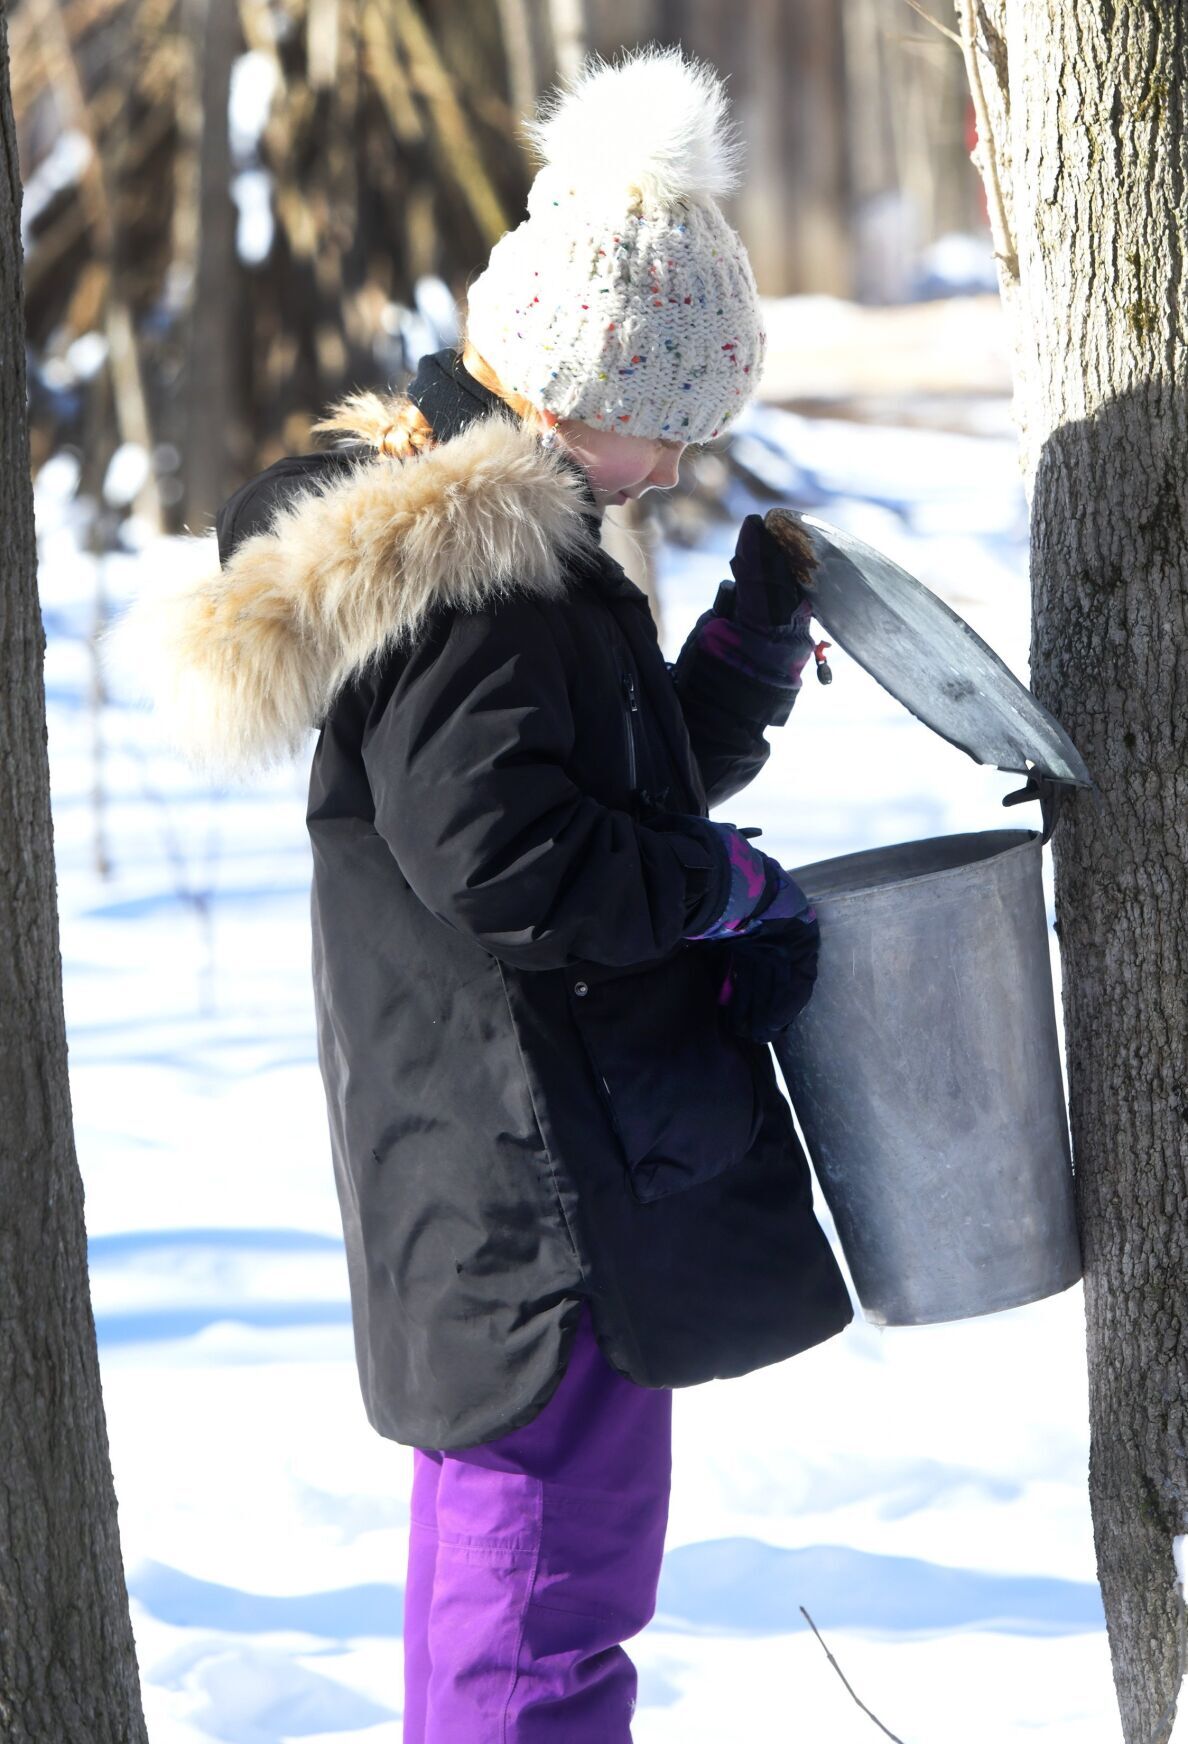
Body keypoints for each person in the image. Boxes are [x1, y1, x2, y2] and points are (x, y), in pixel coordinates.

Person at [112, 41, 853, 1743]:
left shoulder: (510, 546)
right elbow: (518, 868)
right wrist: (719, 891)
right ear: (571, 379)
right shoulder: (478, 581)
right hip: (530, 1200)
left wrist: (730, 671)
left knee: (550, 1596)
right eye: (657, 428)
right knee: (536, 1616)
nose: (667, 466)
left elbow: (588, 794)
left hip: (551, 1170)